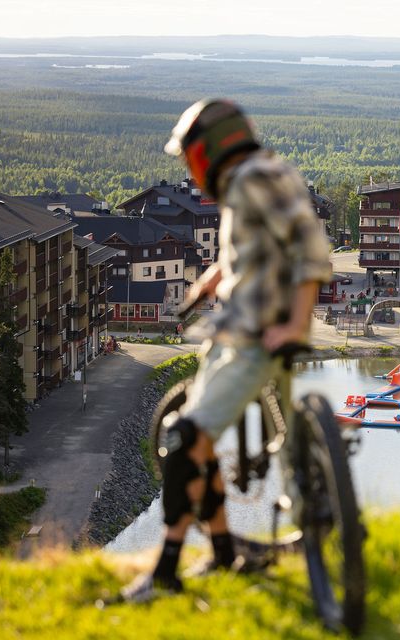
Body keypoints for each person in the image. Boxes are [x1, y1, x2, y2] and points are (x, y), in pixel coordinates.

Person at [122, 99, 331, 602]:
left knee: (184, 435)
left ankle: (166, 574)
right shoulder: (265, 173)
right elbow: (258, 248)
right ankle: (224, 551)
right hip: (263, 328)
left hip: (253, 337)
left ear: (208, 152)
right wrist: (212, 277)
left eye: (190, 159)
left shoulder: (248, 182)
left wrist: (298, 322)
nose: (191, 172)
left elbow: (309, 247)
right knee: (266, 441)